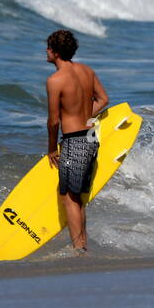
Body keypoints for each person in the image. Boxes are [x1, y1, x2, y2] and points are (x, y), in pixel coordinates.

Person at [44, 29, 109, 255]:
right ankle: (82, 245)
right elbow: (103, 99)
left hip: (74, 141)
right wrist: (87, 117)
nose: (46, 51)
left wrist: (52, 149)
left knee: (69, 197)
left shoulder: (55, 80)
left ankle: (79, 248)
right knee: (77, 196)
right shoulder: (87, 71)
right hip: (91, 137)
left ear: (56, 52)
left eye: (49, 47)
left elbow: (53, 121)